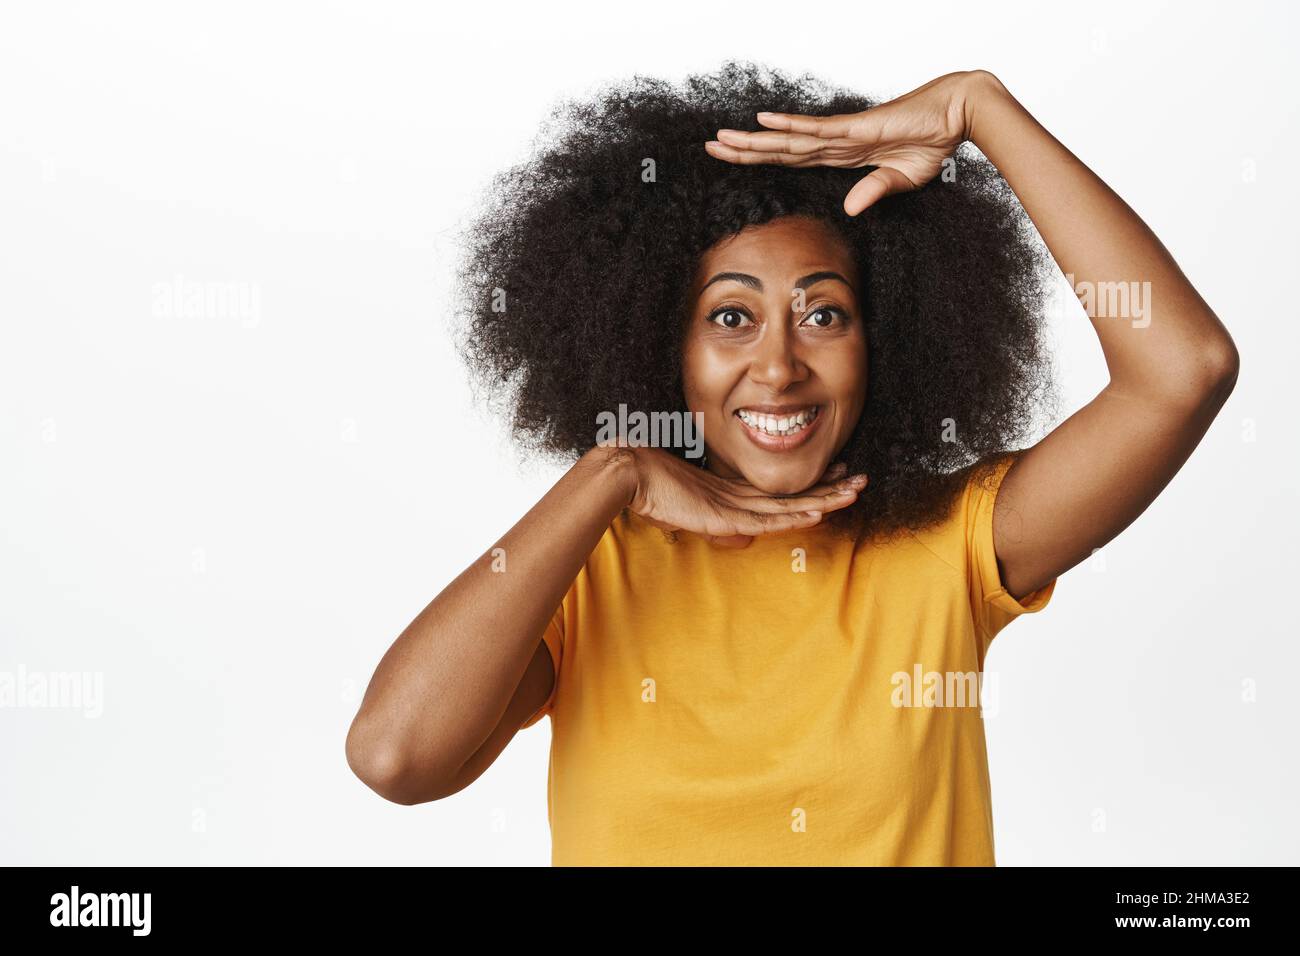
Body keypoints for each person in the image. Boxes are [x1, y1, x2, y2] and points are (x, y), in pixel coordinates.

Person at [345, 64, 1239, 865]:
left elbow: (1182, 371)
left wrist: (981, 110)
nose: (779, 367)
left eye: (824, 315)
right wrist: (609, 473)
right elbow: (396, 758)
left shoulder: (950, 544)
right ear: (663, 345)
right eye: (732, 317)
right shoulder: (590, 569)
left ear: (884, 339)